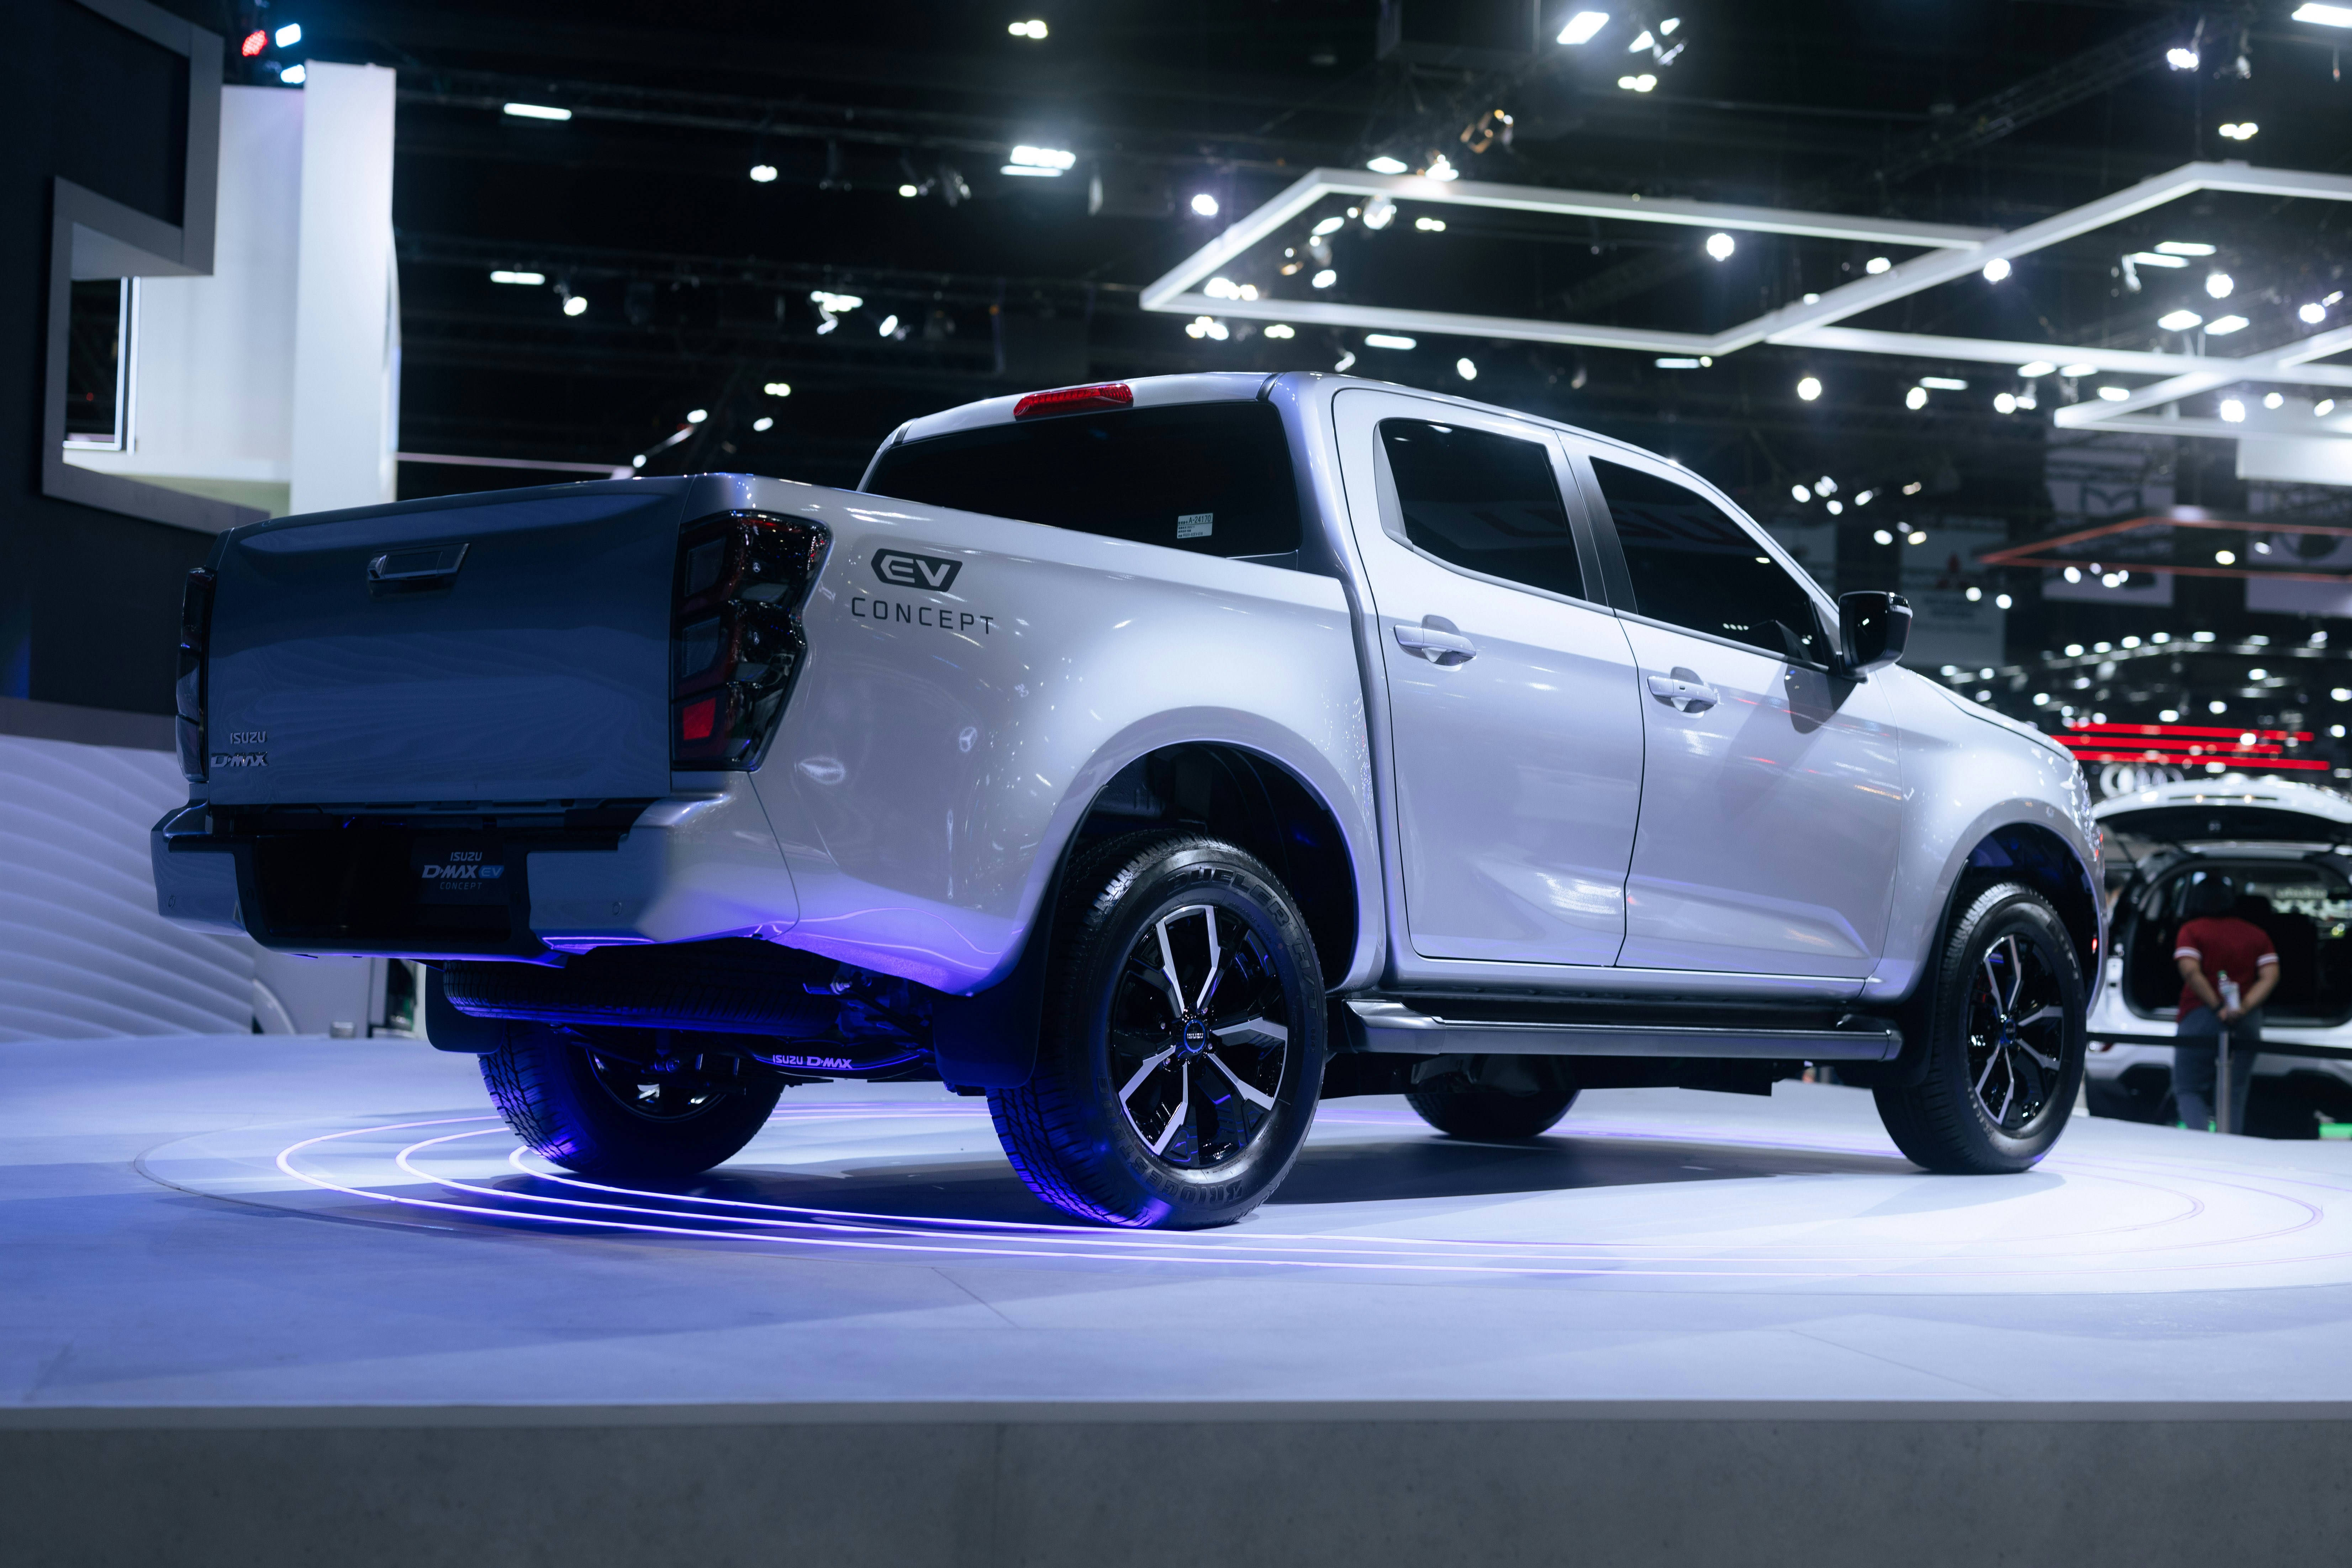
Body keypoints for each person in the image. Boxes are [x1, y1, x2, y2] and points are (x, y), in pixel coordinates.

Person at [2172, 873, 2278, 1134]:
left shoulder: (2192, 930)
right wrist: (2244, 1007)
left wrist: (2218, 1007)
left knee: (2189, 1088)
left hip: (2199, 1016)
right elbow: (2271, 976)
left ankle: (2201, 1143)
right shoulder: (2256, 934)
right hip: (2247, 1021)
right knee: (2234, 1092)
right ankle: (2230, 1144)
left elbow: (2191, 972)